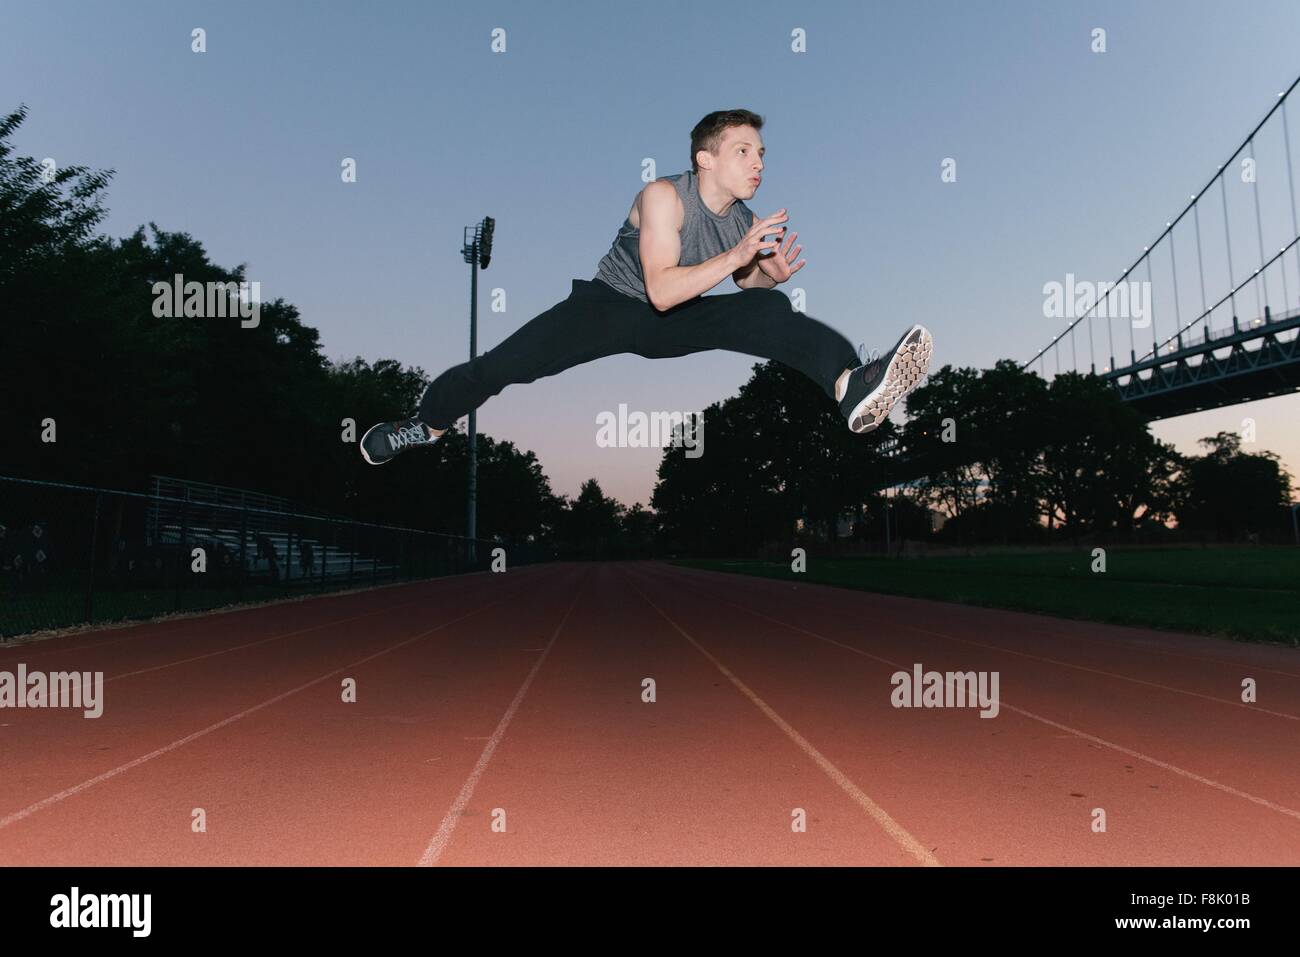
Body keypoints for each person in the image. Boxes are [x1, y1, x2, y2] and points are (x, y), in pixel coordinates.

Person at [360, 109, 933, 466]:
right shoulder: (663, 195)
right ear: (705, 159)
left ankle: (848, 382)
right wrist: (739, 258)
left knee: (769, 304)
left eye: (761, 153)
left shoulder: (740, 220)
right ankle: (425, 423)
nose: (757, 161)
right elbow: (659, 290)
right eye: (743, 150)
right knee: (500, 367)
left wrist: (763, 274)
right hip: (608, 306)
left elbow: (739, 282)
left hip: (676, 320)